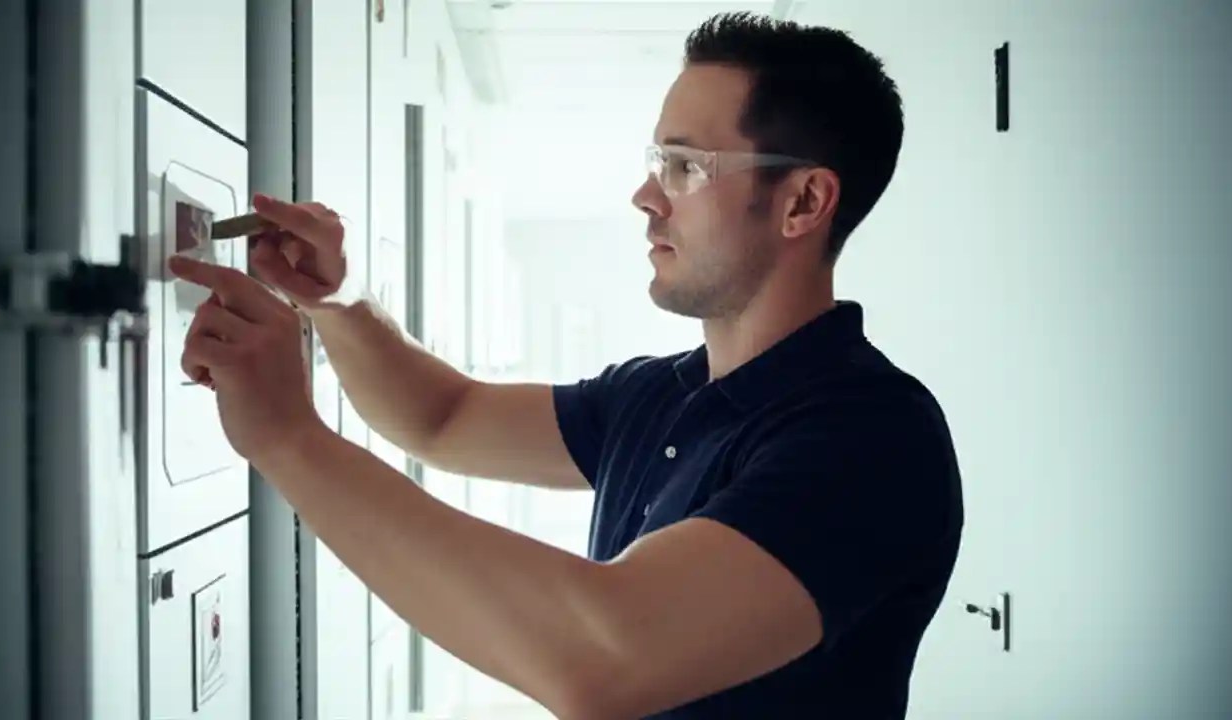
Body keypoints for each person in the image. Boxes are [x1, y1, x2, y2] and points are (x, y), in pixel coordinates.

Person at [169, 11, 963, 719]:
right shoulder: (658, 395)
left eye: (686, 167)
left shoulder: (871, 437)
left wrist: (288, 438)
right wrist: (336, 300)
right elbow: (441, 418)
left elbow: (606, 657)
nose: (646, 196)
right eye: (657, 161)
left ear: (803, 203)